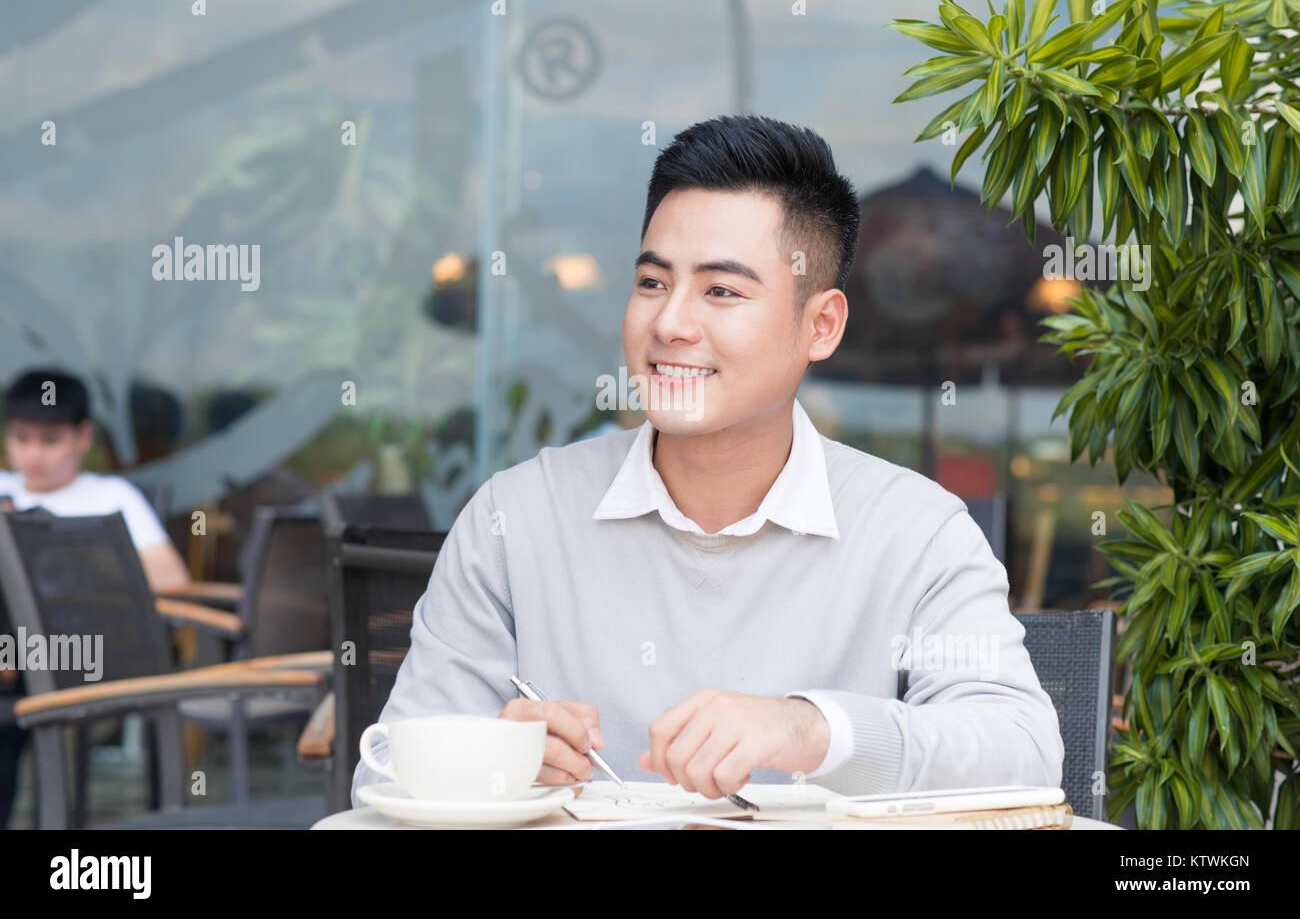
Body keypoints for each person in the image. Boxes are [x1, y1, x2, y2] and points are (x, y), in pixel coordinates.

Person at [353, 115, 1063, 805]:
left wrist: (809, 730)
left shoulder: (916, 530)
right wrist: (491, 763)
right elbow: (381, 778)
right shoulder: (515, 519)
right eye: (653, 283)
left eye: (721, 291)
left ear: (821, 325)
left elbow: (1023, 750)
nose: (670, 323)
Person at [0, 369, 191, 591]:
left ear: (84, 436)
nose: (33, 455)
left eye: (50, 440)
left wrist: (64, 549)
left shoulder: (113, 495)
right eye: (21, 438)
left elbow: (172, 578)